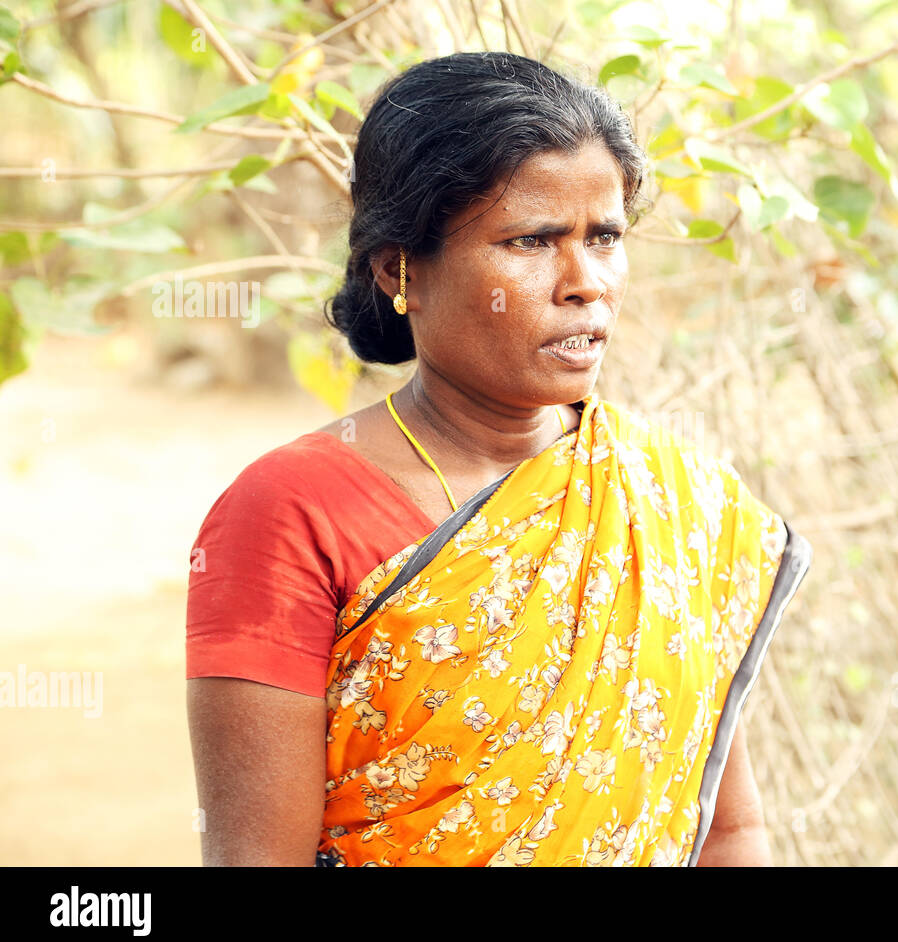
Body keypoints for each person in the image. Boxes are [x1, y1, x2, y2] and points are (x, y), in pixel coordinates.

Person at [185, 50, 811, 867]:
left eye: (606, 238)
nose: (585, 281)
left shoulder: (668, 499)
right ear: (399, 268)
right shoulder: (291, 513)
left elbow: (729, 831)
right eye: (532, 240)